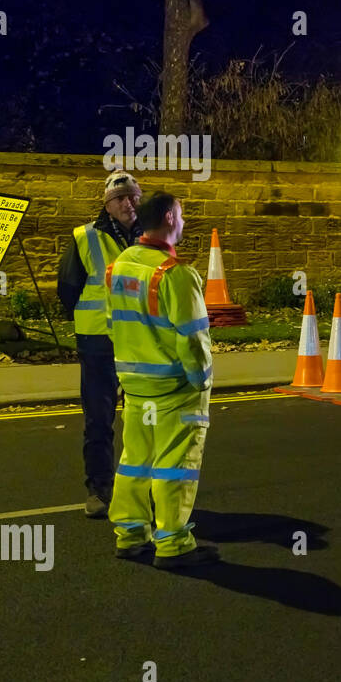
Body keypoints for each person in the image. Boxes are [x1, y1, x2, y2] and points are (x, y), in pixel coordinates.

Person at [104, 191, 219, 569]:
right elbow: (192, 337)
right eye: (182, 216)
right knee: (174, 465)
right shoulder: (176, 275)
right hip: (174, 390)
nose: (183, 223)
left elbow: (114, 323)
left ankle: (131, 534)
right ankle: (172, 543)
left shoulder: (119, 266)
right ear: (170, 218)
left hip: (136, 386)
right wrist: (200, 381)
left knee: (135, 461)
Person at [56, 171, 143, 519]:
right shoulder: (85, 237)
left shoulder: (152, 235)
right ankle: (99, 490)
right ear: (107, 205)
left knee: (142, 421)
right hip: (98, 342)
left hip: (141, 341)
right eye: (120, 198)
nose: (128, 203)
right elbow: (67, 288)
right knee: (99, 419)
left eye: (133, 196)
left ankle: (140, 490)